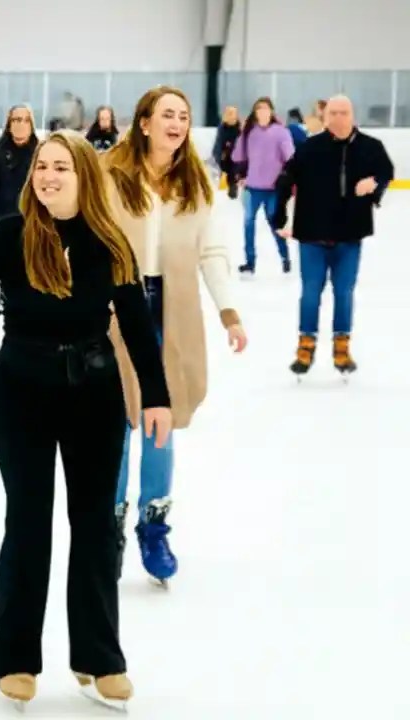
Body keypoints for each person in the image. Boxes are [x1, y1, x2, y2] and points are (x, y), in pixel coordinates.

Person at [0, 130, 172, 711]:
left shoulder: (109, 241)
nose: (47, 176)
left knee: (96, 525)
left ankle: (98, 659)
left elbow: (137, 328)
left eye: (60, 167)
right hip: (21, 393)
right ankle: (16, 658)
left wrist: (156, 396)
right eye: (41, 167)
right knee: (28, 523)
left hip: (96, 395)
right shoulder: (10, 235)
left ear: (83, 176)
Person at [101, 86, 246, 586]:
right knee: (117, 418)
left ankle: (154, 524)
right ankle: (110, 524)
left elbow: (211, 251)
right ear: (144, 123)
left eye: (184, 116)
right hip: (117, 308)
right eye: (168, 114)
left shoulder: (196, 184)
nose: (177, 122)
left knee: (160, 418)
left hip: (171, 309)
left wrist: (229, 311)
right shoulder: (110, 176)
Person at [272, 94, 394, 377]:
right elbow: (286, 179)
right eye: (333, 113)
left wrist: (375, 185)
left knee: (344, 292)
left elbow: (386, 172)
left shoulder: (370, 147)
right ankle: (306, 343)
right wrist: (278, 215)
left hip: (349, 237)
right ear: (325, 117)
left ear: (352, 115)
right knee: (311, 293)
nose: (338, 118)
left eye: (344, 112)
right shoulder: (309, 149)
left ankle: (342, 345)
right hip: (312, 236)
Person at [232, 96, 294, 274]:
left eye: (265, 109)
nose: (262, 112)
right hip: (252, 186)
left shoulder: (281, 132)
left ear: (271, 112)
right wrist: (242, 134)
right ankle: (250, 262)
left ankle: (285, 257)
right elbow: (238, 156)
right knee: (248, 223)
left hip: (273, 188)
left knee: (274, 224)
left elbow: (290, 157)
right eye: (258, 109)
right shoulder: (250, 132)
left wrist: (286, 178)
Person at [0, 104, 38, 231]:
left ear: (31, 125)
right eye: (17, 120)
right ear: (9, 125)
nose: (21, 124)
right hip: (2, 222)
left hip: (31, 225)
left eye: (26, 120)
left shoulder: (40, 153)